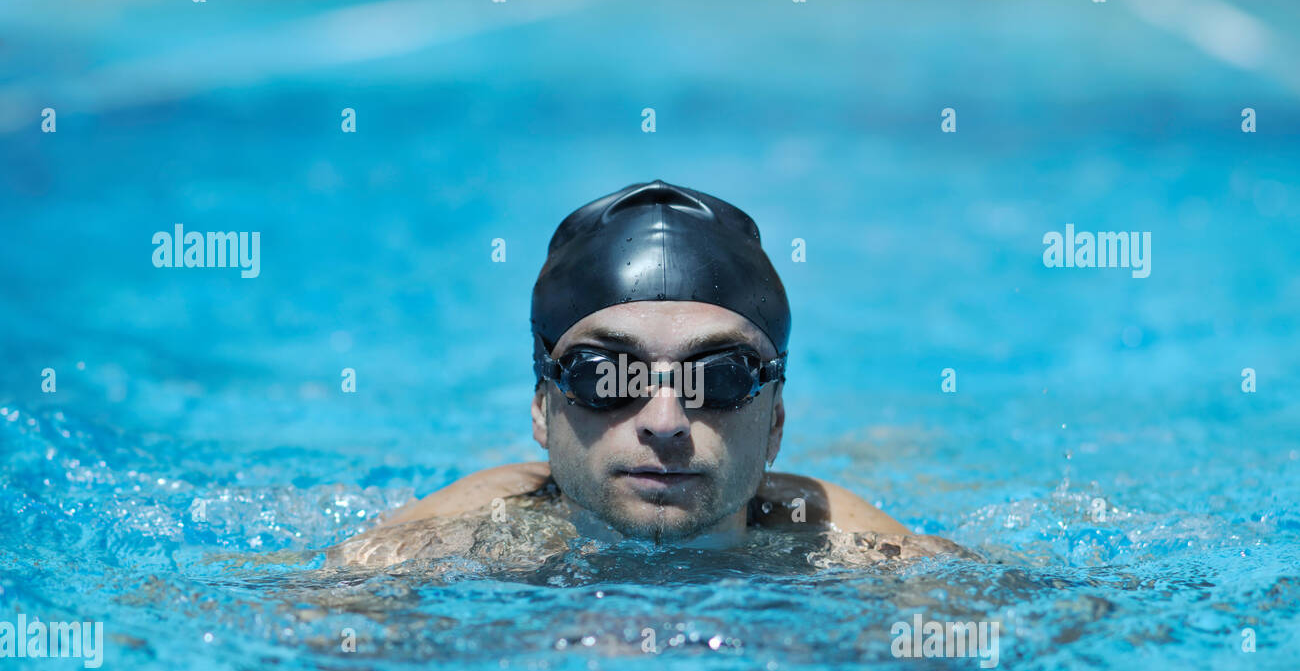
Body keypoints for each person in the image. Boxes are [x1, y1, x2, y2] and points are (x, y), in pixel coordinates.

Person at [329, 180, 972, 569]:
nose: (664, 422)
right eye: (605, 375)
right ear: (540, 408)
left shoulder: (854, 555)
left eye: (718, 378)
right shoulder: (433, 549)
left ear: (774, 422)